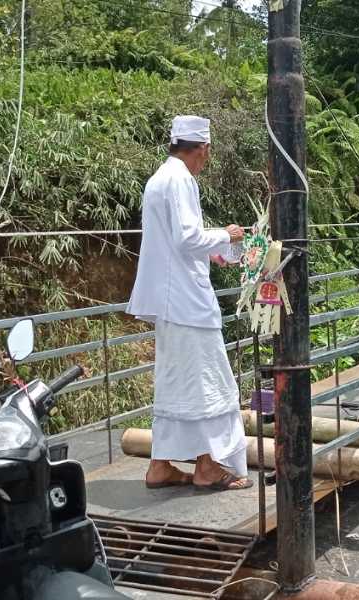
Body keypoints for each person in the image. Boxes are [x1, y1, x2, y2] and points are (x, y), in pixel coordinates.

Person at [127, 115, 253, 491]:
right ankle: (209, 466)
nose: (206, 160)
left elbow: (175, 243)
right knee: (210, 379)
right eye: (206, 153)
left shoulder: (159, 178)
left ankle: (162, 465)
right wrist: (225, 234)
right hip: (186, 301)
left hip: (173, 298)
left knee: (177, 381)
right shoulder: (181, 178)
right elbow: (185, 237)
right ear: (201, 149)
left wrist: (211, 250)